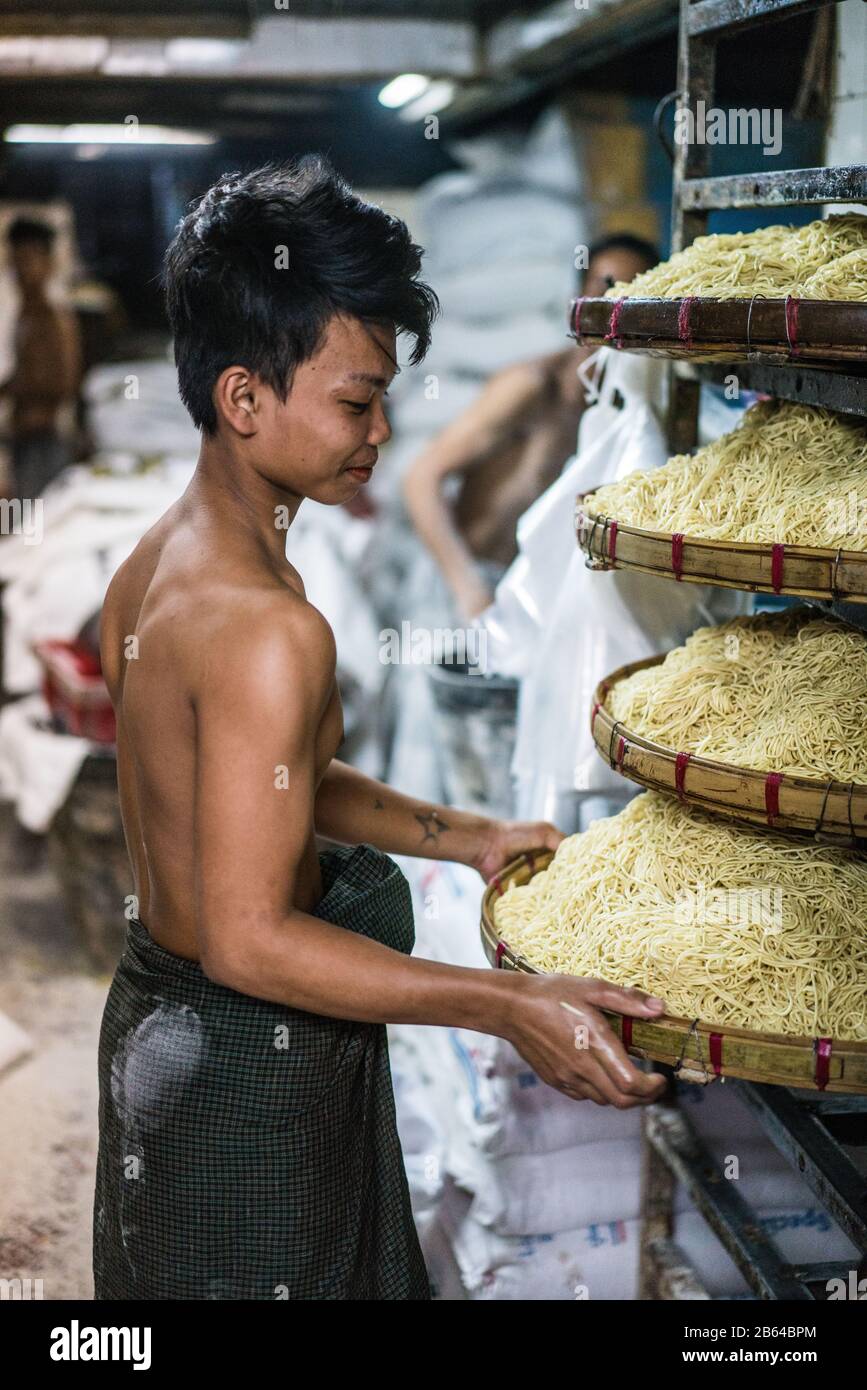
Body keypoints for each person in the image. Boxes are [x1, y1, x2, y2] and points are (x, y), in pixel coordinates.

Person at [92, 161, 666, 1303]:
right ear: (246, 399)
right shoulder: (270, 628)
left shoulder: (160, 561)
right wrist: (510, 1003)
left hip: (161, 1040)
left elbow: (265, 781)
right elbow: (250, 942)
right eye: (357, 402)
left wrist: (468, 835)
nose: (381, 431)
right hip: (246, 1075)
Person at [402, 235, 659, 621]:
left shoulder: (629, 411)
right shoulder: (534, 387)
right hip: (468, 591)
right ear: (577, 305)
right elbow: (421, 477)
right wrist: (467, 588)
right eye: (605, 289)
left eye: (634, 295)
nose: (616, 310)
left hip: (538, 604)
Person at [1, 217, 81, 499]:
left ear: (49, 263)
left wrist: (16, 390)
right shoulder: (25, 314)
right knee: (23, 529)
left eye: (28, 259)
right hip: (23, 442)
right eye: (14, 260)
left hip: (43, 444)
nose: (20, 270)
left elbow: (64, 384)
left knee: (38, 533)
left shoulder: (54, 317)